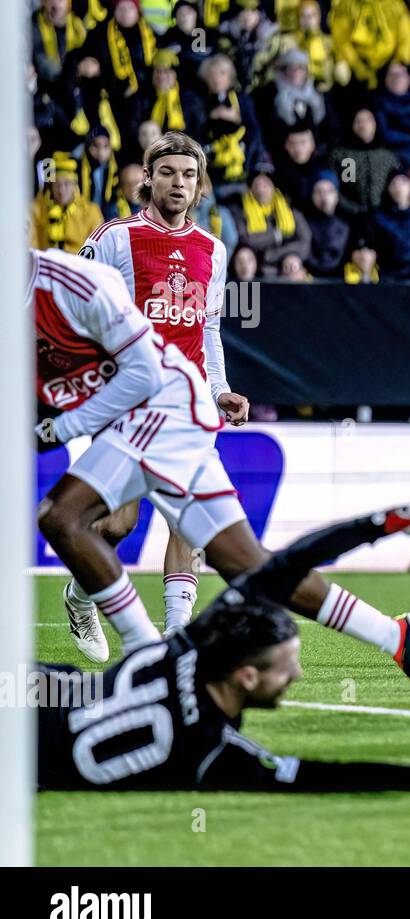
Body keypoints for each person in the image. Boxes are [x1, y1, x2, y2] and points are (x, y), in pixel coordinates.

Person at [32, 248, 410, 711]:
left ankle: (146, 658)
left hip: (161, 405)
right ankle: (396, 635)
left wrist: (58, 429)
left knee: (62, 517)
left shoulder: (73, 282)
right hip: (156, 418)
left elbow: (148, 369)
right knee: (249, 567)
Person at [36, 495, 410, 792]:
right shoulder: (211, 752)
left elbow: (289, 563)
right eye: (286, 668)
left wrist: (391, 520)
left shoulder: (187, 648)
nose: (298, 677)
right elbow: (320, 777)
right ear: (247, 676)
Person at [73, 132, 246, 647]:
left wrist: (220, 391)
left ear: (200, 185)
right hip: (124, 401)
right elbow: (78, 313)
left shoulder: (213, 250)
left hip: (188, 405)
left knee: (187, 523)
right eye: (168, 172)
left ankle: (176, 640)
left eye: (189, 175)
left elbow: (208, 329)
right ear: (147, 178)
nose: (179, 182)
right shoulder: (114, 237)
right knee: (117, 524)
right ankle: (81, 598)